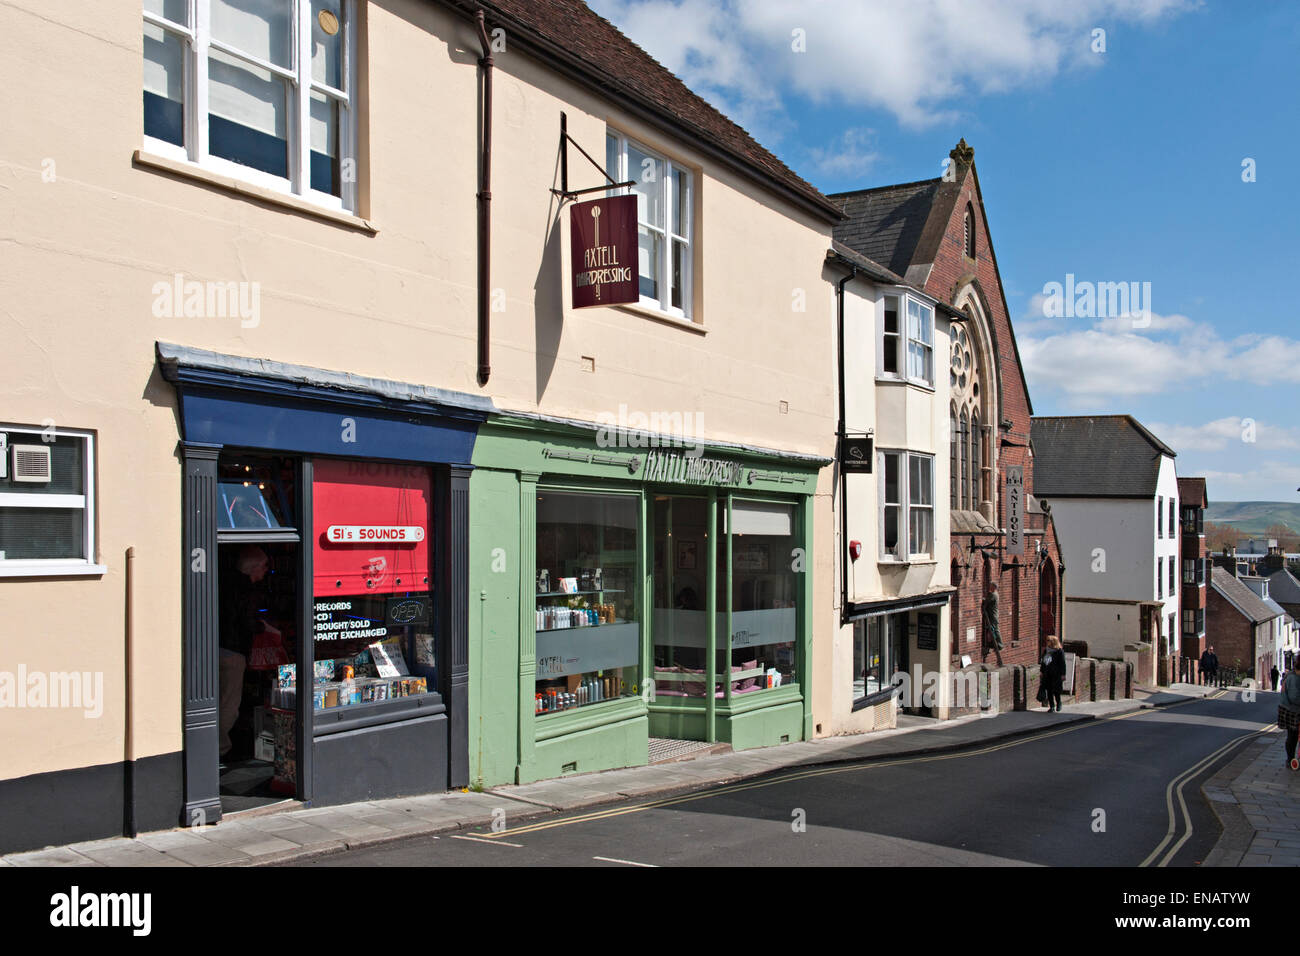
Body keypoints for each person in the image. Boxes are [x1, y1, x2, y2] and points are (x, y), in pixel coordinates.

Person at [219, 545, 279, 759]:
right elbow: (247, 622)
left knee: (220, 698)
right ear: (253, 568)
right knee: (229, 703)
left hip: (214, 649)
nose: (266, 572)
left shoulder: (223, 582)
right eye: (264, 567)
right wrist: (267, 628)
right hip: (232, 651)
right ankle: (220, 748)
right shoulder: (246, 591)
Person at [1278, 657, 1300, 772]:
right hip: (1291, 710)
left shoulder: (1294, 675)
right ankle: (1290, 759)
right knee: (1293, 735)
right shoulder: (1293, 678)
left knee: (1293, 735)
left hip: (1293, 709)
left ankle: (1291, 759)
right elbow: (1294, 697)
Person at [1040, 635, 1067, 712]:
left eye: (1049, 640)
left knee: (1056, 691)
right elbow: (1043, 662)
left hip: (1056, 674)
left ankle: (1059, 703)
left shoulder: (1059, 651)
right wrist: (1041, 671)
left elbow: (1062, 663)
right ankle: (1052, 706)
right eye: (1047, 640)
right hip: (1047, 674)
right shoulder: (1046, 651)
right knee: (1049, 691)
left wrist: (1063, 674)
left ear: (1053, 642)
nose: (1047, 642)